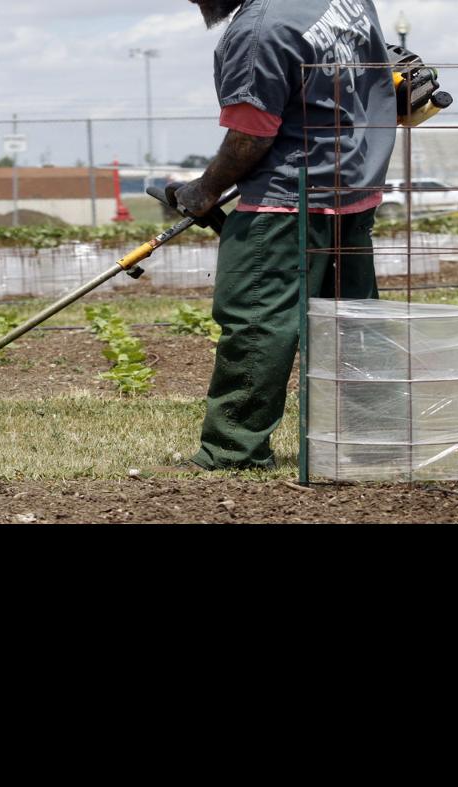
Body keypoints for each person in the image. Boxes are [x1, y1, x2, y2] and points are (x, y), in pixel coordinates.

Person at [174, 0, 397, 471]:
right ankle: (373, 443)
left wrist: (205, 189)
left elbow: (251, 135)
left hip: (288, 200)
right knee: (352, 323)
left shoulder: (258, 31)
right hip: (354, 187)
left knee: (257, 321)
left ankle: (232, 451)